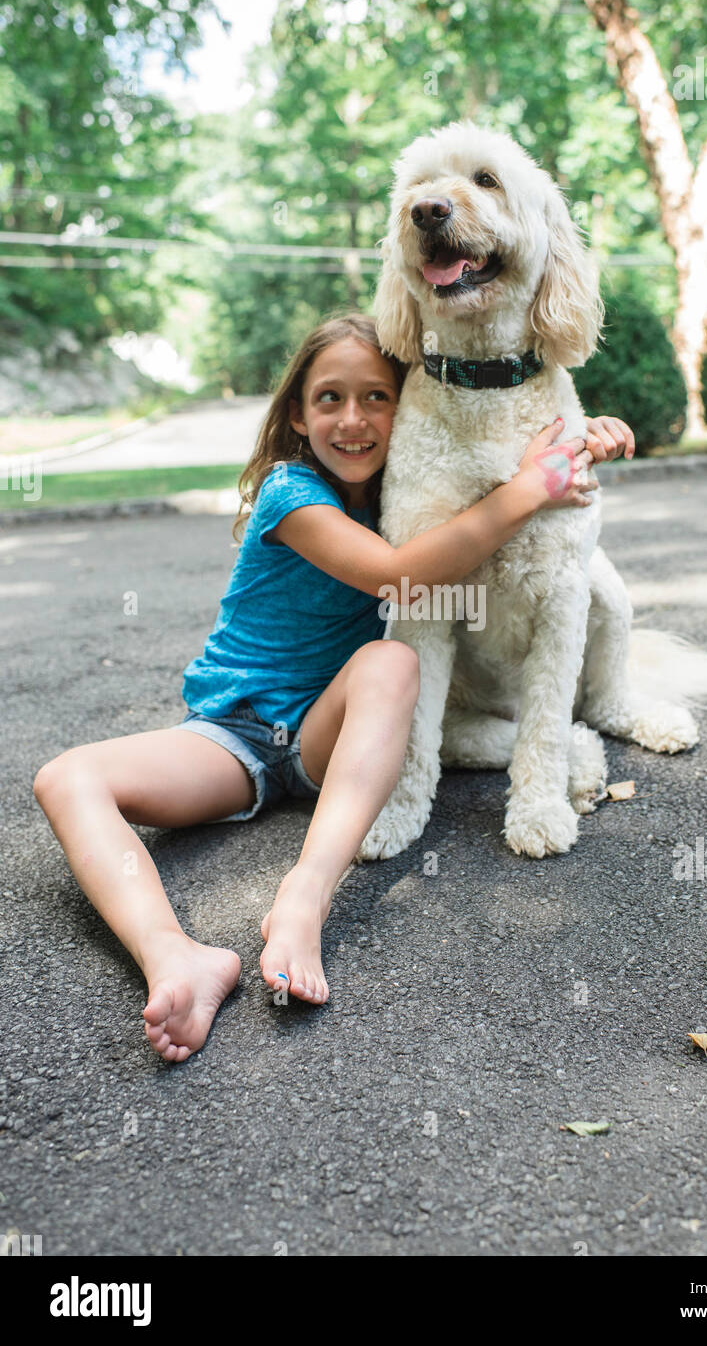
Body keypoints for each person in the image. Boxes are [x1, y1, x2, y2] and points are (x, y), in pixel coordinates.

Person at [33, 312, 634, 1063]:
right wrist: (524, 491)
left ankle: (304, 897)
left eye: (376, 398)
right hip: (237, 736)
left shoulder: (408, 484)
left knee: (391, 664)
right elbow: (399, 574)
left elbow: (492, 455)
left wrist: (584, 433)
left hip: (334, 735)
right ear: (296, 413)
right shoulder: (291, 491)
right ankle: (174, 956)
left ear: (409, 403)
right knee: (67, 777)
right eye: (329, 399)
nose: (352, 420)